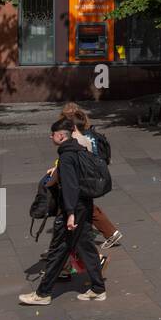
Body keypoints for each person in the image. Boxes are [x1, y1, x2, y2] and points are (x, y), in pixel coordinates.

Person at [19, 116, 107, 305]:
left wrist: (69, 214)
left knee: (58, 251)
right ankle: (98, 289)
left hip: (73, 209)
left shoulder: (66, 157)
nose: (50, 138)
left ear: (60, 136)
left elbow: (70, 187)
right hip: (85, 204)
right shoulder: (78, 149)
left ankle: (43, 294)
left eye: (52, 135)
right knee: (86, 247)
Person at [62, 103, 122, 249]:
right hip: (94, 175)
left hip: (84, 177)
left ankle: (63, 246)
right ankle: (108, 232)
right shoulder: (90, 133)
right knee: (84, 207)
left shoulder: (78, 137)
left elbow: (76, 159)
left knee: (77, 207)